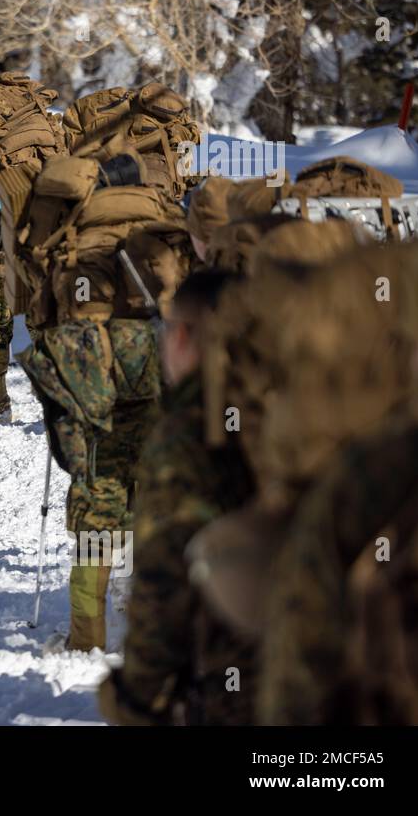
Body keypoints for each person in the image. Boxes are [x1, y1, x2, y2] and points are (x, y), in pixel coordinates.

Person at [97, 269, 257, 725]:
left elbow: (162, 586)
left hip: (233, 682)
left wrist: (137, 698)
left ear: (183, 337)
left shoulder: (191, 429)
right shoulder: (295, 399)